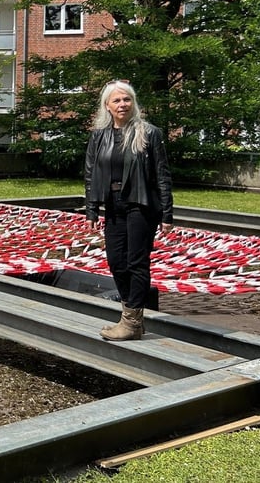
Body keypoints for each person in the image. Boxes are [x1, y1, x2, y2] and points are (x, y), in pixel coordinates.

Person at [84, 80, 173, 342]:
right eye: (117, 101)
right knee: (116, 262)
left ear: (133, 103)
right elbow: (90, 174)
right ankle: (131, 317)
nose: (122, 104)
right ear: (107, 106)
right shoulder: (99, 136)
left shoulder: (149, 133)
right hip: (113, 204)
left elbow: (162, 175)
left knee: (136, 262)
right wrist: (91, 209)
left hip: (141, 204)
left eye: (127, 99)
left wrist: (167, 213)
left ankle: (131, 322)